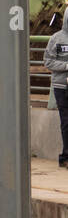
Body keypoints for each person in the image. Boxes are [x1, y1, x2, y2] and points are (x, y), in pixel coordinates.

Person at [45, 19, 68, 167]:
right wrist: (66, 65)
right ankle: (66, 156)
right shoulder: (56, 38)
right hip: (62, 86)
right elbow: (48, 61)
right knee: (66, 122)